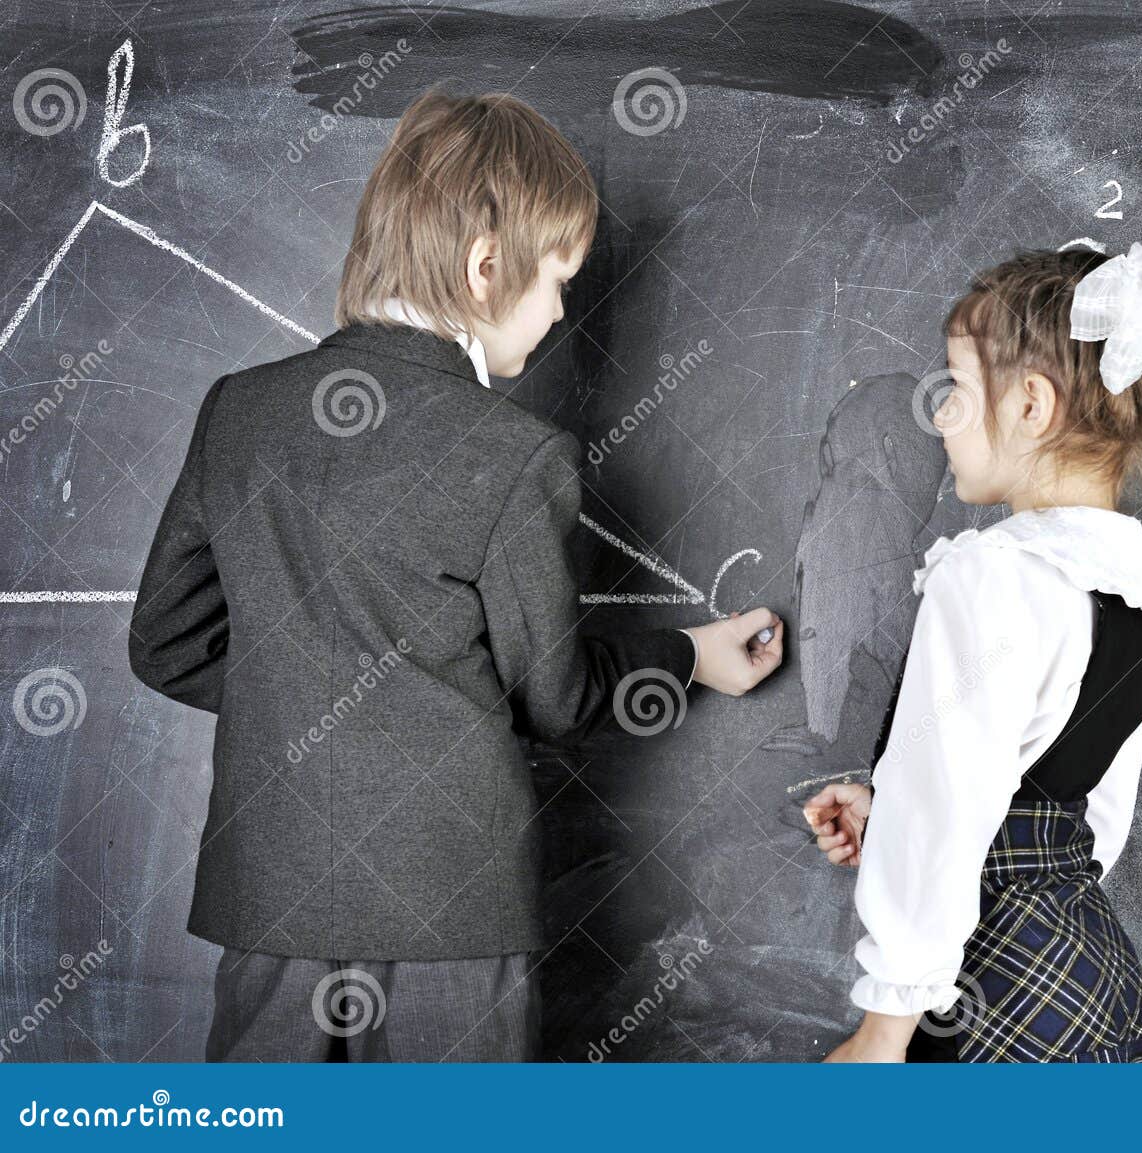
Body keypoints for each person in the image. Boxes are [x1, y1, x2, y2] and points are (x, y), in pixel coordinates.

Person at [127, 88, 783, 1061]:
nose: (563, 307)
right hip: (452, 918)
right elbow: (552, 696)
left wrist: (311, 693)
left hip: (275, 900)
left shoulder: (241, 413)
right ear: (485, 269)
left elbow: (164, 645)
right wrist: (688, 656)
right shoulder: (515, 456)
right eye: (559, 277)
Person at [804, 239, 1142, 1062]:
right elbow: (1085, 820)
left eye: (957, 389)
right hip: (1084, 978)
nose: (940, 416)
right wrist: (891, 810)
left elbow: (944, 803)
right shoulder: (1136, 590)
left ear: (1030, 407)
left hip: (986, 992)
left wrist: (884, 1028)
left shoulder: (988, 574)